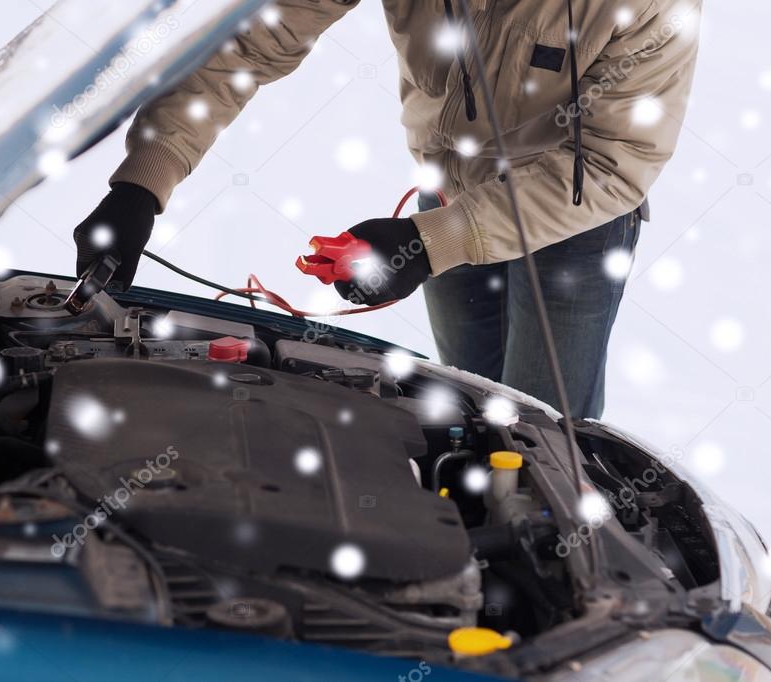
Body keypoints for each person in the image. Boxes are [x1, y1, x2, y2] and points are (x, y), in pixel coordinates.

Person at [73, 0, 701, 418]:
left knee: (539, 439)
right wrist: (140, 185)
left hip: (573, 227)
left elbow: (616, 160)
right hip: (446, 201)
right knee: (467, 413)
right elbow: (248, 47)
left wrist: (432, 243)